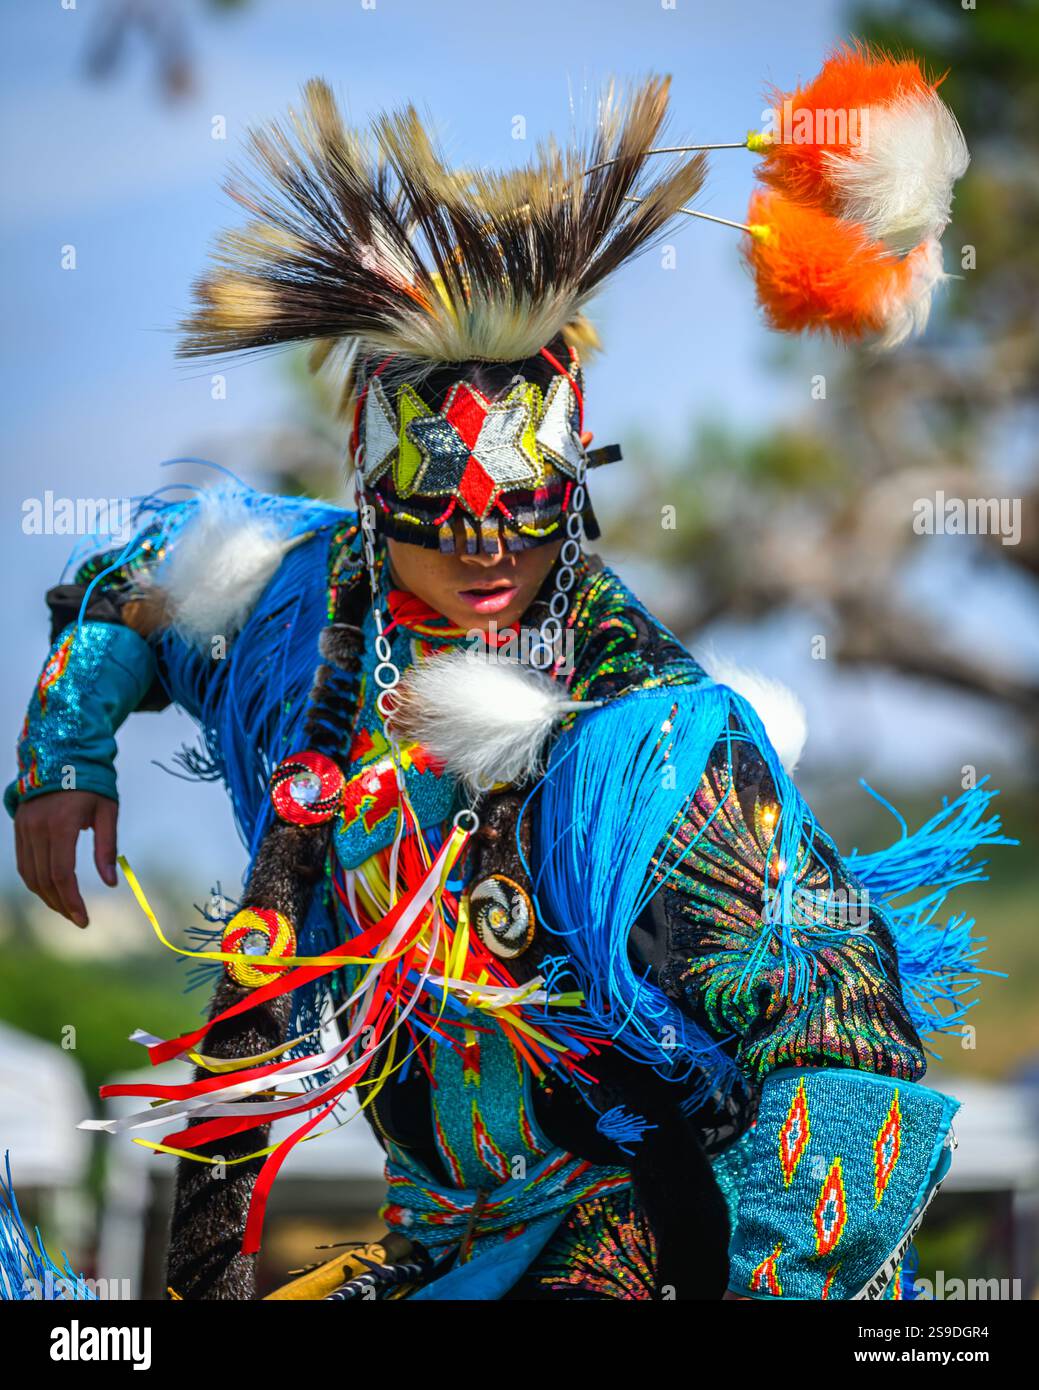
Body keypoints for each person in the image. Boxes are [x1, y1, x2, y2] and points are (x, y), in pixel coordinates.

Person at [5, 71, 1009, 1302]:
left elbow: (845, 1047)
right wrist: (63, 755)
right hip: (434, 1233)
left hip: (634, 1225)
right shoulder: (291, 599)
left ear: (575, 490)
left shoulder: (646, 739)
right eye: (443, 518)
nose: (486, 553)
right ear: (372, 497)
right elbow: (140, 566)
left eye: (525, 517)